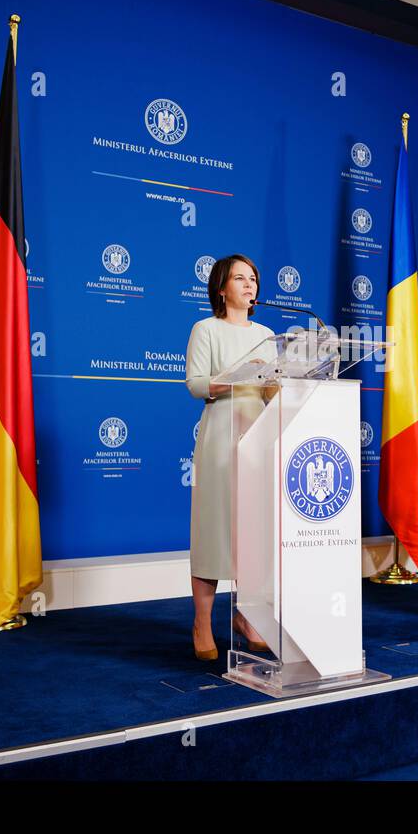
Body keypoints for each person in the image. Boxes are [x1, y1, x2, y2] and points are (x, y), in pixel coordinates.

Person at [184, 255, 275, 660]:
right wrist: (239, 374)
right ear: (221, 288)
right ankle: (202, 622)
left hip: (259, 433)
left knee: (253, 531)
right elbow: (195, 384)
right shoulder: (206, 329)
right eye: (240, 278)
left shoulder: (268, 333)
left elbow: (271, 389)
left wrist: (287, 381)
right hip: (222, 435)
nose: (249, 284)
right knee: (214, 529)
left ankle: (246, 615)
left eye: (253, 278)